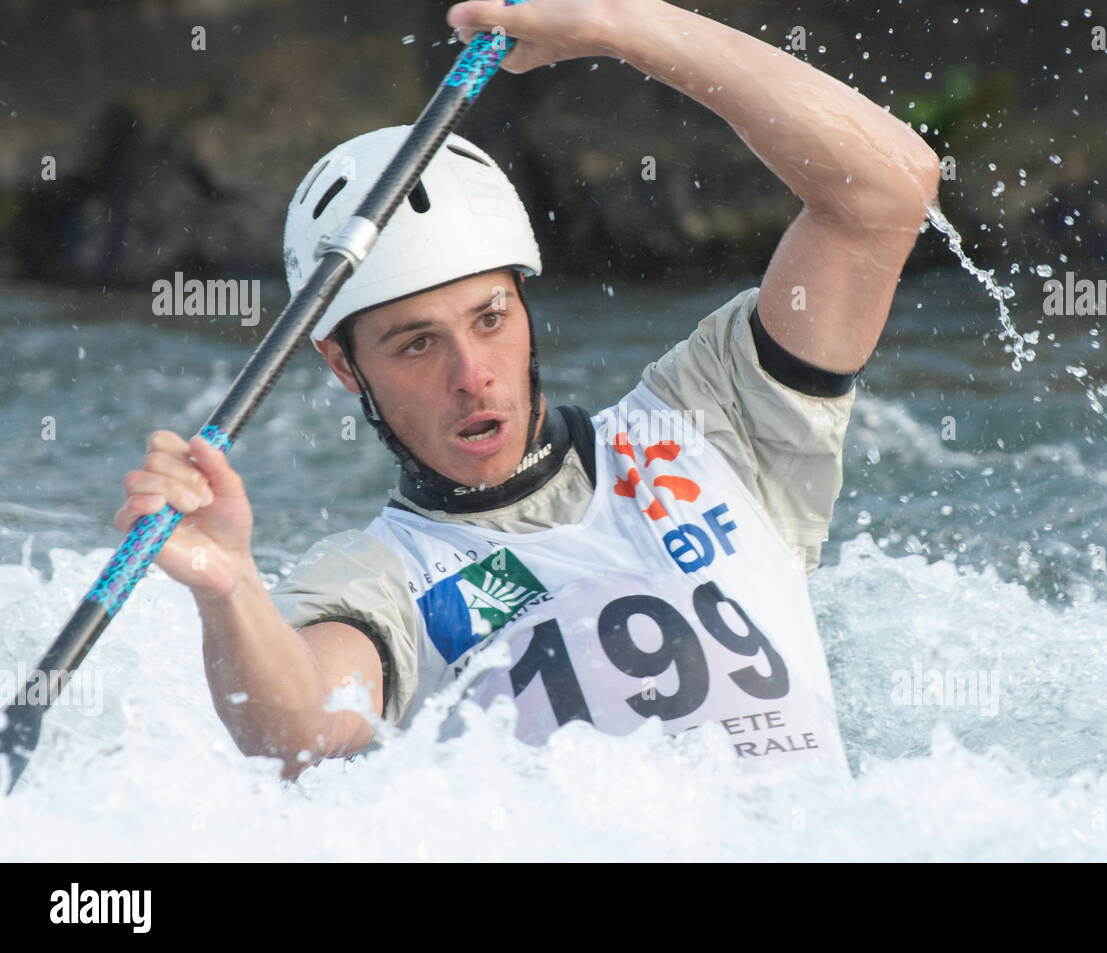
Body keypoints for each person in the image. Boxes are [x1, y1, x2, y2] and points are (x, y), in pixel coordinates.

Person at [117, 0, 939, 779]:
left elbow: (887, 191)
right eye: (416, 344)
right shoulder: (380, 580)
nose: (470, 374)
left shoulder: (718, 416)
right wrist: (230, 587)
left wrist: (629, 27)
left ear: (527, 304)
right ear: (343, 365)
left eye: (489, 317)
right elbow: (300, 735)